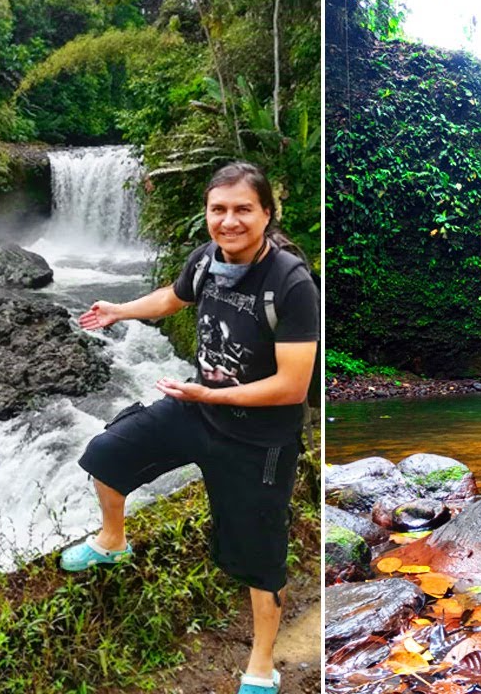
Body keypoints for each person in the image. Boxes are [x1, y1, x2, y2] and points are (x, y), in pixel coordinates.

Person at [62, 161, 319, 694]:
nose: (230, 221)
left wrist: (212, 392)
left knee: (260, 556)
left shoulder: (291, 284)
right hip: (197, 406)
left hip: (259, 437)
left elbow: (294, 386)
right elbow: (173, 297)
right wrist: (119, 310)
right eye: (219, 209)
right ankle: (113, 540)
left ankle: (262, 664)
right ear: (207, 214)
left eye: (243, 209)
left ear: (266, 214)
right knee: (106, 453)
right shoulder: (206, 260)